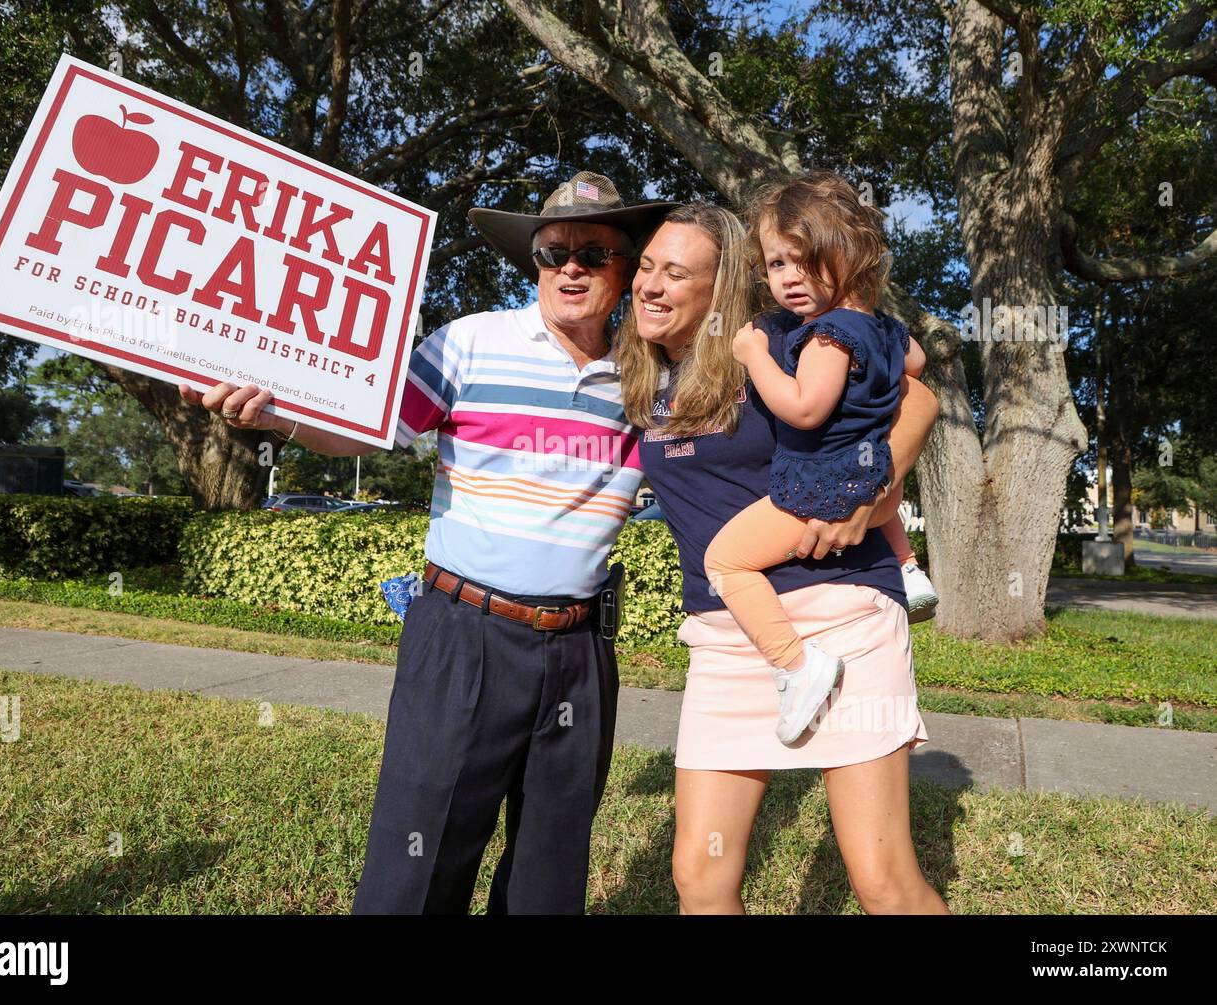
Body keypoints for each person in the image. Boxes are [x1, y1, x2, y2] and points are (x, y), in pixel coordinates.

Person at [179, 171, 676, 914]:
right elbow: (369, 429)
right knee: (419, 861)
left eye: (595, 253)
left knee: (552, 868)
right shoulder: (470, 343)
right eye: (553, 252)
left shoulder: (653, 378)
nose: (570, 266)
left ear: (628, 269)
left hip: (581, 653)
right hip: (463, 637)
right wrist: (273, 411)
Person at [616, 200, 948, 914]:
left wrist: (872, 488)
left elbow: (918, 394)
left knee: (882, 883)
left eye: (677, 272)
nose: (650, 285)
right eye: (647, 267)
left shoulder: (773, 339)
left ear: (721, 287)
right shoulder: (641, 376)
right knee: (700, 878)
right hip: (727, 637)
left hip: (839, 615)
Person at [703, 170, 939, 744]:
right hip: (871, 472)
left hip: (819, 484)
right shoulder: (881, 327)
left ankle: (797, 667)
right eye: (777, 264)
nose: (789, 278)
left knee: (726, 562)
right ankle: (908, 572)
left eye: (805, 260)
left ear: (849, 254)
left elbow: (804, 408)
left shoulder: (826, 337)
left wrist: (754, 354)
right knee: (881, 495)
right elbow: (917, 362)